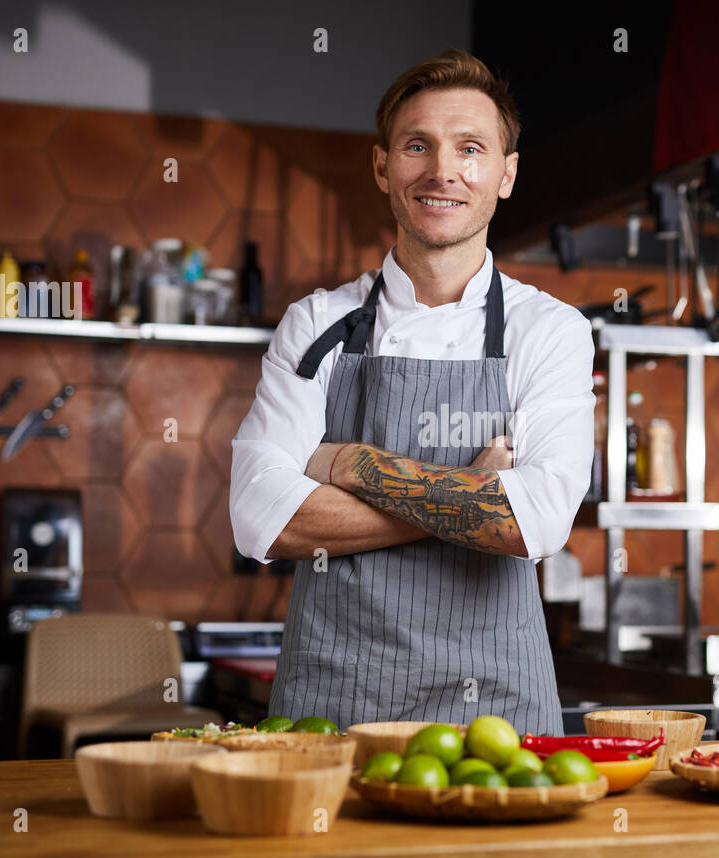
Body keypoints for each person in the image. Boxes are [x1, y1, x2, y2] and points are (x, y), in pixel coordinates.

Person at [230, 49, 594, 735]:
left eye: (471, 148)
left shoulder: (549, 330)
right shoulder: (316, 325)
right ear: (382, 167)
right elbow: (261, 520)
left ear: (506, 174)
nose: (442, 172)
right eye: (417, 146)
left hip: (496, 718)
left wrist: (343, 464)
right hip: (332, 709)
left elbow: (534, 522)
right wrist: (470, 492)